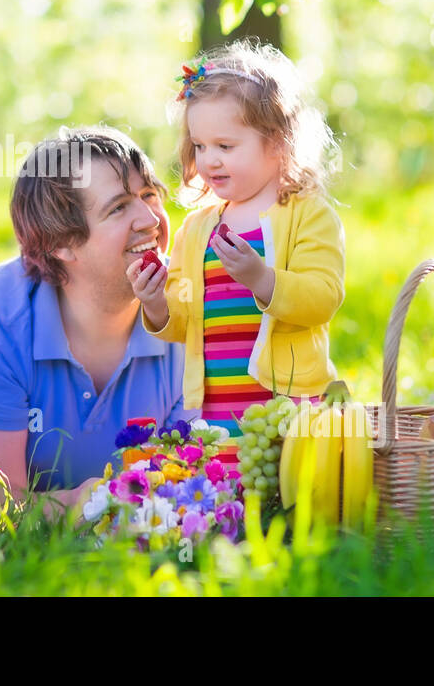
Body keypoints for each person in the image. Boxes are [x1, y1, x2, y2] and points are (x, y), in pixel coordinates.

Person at [0, 126, 197, 517]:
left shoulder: (194, 303)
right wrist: (89, 504)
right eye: (118, 208)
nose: (150, 219)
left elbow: (195, 482)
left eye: (149, 194)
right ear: (59, 243)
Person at [130, 39, 346, 477]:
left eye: (225, 146)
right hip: (216, 401)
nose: (209, 160)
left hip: (287, 400)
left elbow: (323, 297)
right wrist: (154, 302)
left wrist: (261, 278)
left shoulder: (307, 214)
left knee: (288, 487)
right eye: (200, 146)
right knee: (230, 489)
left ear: (278, 143)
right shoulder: (198, 227)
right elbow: (183, 319)